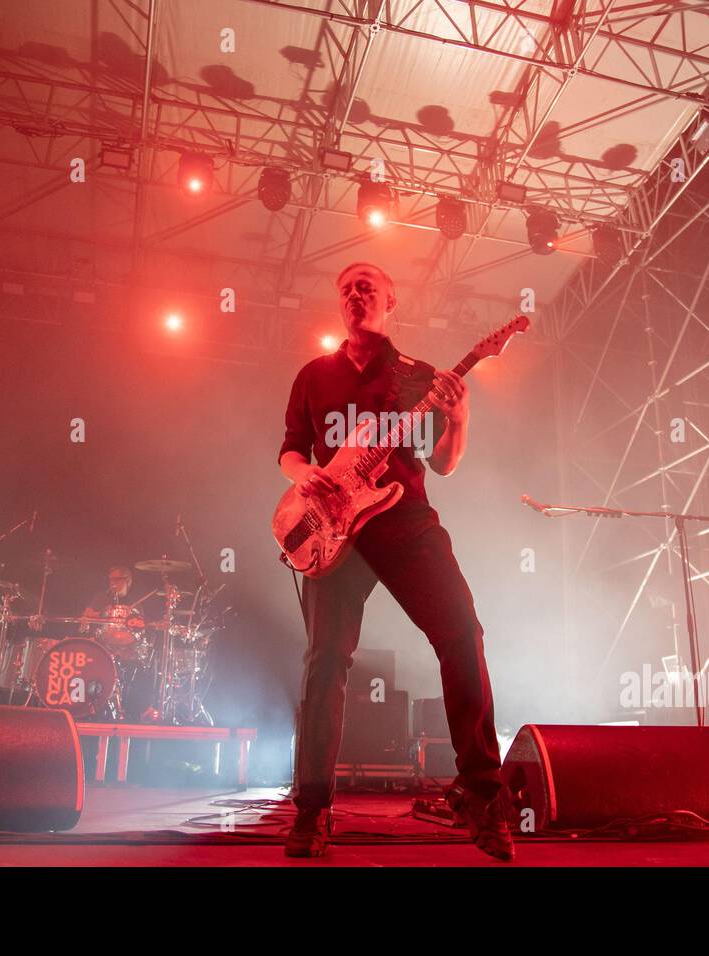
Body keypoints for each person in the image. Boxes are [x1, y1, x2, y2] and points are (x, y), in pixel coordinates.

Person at [277, 261, 513, 861]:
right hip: (333, 532)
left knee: (462, 634)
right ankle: (311, 810)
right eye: (347, 288)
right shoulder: (313, 375)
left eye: (367, 287)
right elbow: (291, 451)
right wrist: (306, 479)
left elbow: (445, 464)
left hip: (404, 522)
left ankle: (484, 795)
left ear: (390, 300)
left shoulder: (420, 378)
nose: (356, 294)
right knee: (325, 660)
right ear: (341, 304)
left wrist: (458, 416)